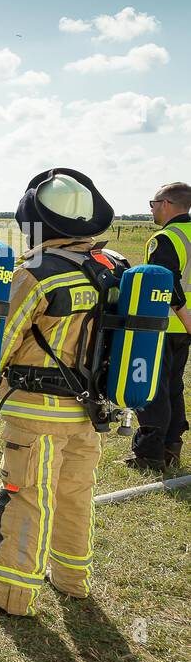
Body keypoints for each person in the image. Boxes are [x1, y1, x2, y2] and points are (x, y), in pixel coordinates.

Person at [0, 169, 117, 616]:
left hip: (37, 410)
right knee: (75, 494)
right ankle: (72, 578)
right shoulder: (111, 269)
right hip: (91, 410)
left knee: (26, 494)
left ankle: (11, 594)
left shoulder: (36, 274)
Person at [129, 182, 191, 472]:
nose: (151, 209)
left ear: (166, 203)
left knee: (152, 388)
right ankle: (171, 448)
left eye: (152, 204)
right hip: (184, 329)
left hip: (165, 324)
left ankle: (149, 455)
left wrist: (185, 317)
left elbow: (167, 282)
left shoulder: (166, 238)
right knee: (174, 387)